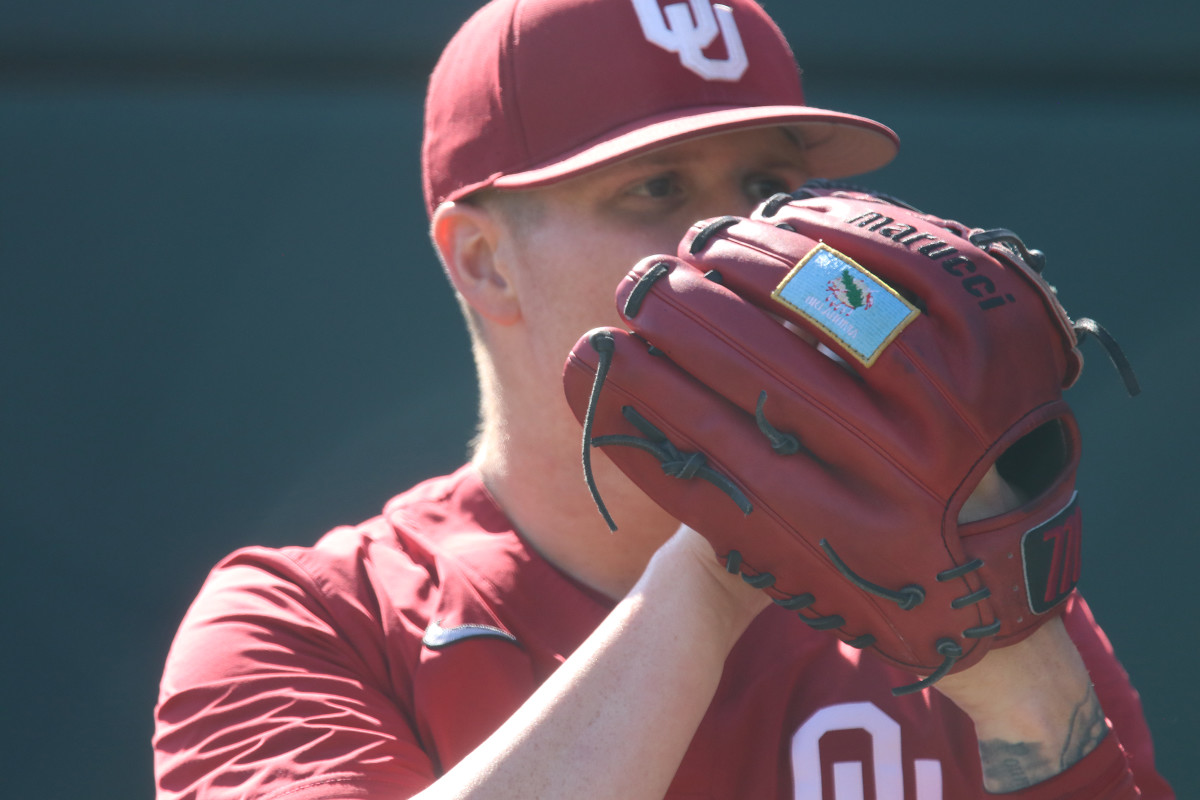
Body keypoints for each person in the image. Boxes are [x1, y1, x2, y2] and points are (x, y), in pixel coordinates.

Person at [153, 0, 1173, 797]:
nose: (741, 241)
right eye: (656, 189)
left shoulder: (957, 569)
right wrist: (711, 569)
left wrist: (1031, 692)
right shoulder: (310, 619)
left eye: (769, 186)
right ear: (484, 262)